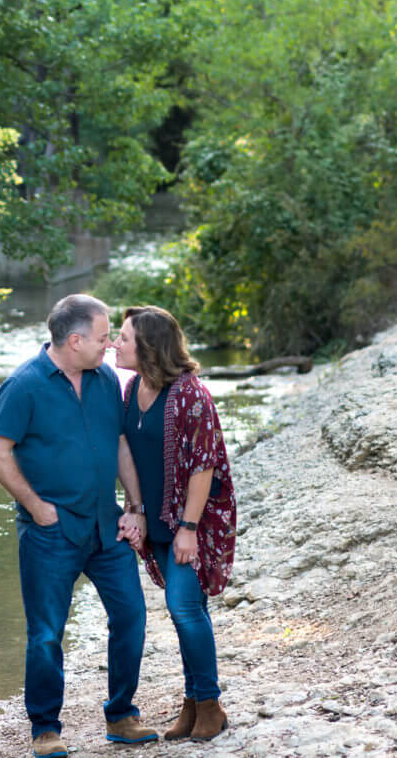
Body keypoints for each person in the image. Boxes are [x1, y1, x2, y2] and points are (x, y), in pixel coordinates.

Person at [0, 294, 160, 758]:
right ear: (74, 340)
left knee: (132, 618)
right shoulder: (23, 385)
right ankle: (45, 728)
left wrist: (135, 506)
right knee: (45, 633)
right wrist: (36, 506)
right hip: (49, 533)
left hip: (106, 527)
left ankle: (121, 714)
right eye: (103, 338)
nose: (109, 347)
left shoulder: (105, 379)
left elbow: (120, 443)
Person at [113, 304, 237, 742]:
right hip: (158, 520)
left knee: (184, 607)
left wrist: (188, 526)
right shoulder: (131, 391)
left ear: (148, 346)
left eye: (123, 338)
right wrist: (136, 510)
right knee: (188, 611)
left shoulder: (191, 394)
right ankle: (192, 704)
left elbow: (205, 466)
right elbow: (129, 455)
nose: (115, 343)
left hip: (192, 521)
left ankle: (210, 704)